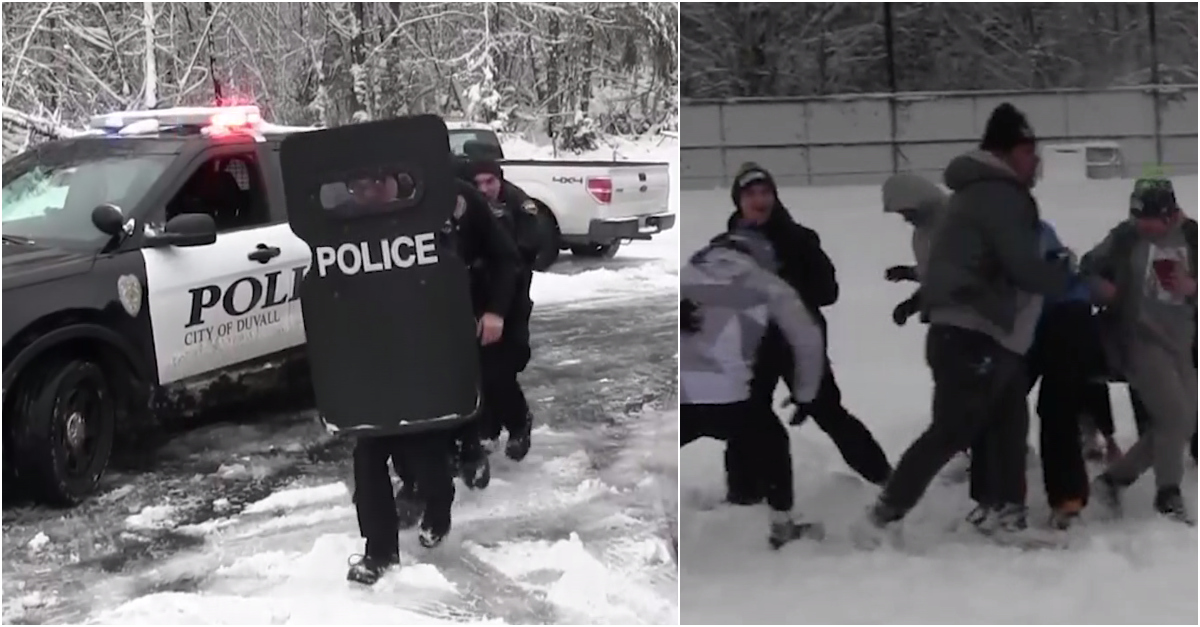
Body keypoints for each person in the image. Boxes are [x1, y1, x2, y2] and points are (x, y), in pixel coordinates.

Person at [851, 102, 1072, 547]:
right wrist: (1063, 273)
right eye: (1029, 151)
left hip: (988, 333)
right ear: (1006, 151)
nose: (1036, 161)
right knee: (952, 430)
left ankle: (1006, 514)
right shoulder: (998, 195)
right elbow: (1021, 266)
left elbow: (960, 266)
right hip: (972, 333)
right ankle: (881, 516)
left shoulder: (977, 196)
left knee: (1010, 424)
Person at [360, 174, 521, 585]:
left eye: (375, 182)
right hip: (388, 332)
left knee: (452, 407)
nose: (368, 192)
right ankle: (382, 547)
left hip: (458, 315)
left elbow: (505, 257)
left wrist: (495, 311)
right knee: (377, 442)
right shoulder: (356, 216)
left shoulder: (455, 196)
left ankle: (459, 463)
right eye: (361, 186)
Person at [723, 163, 892, 504]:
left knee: (828, 412)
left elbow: (828, 292)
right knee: (744, 417)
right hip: (753, 347)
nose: (759, 200)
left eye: (765, 192)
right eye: (750, 194)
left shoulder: (799, 239)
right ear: (738, 201)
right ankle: (743, 497)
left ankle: (888, 481)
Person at [680, 229, 826, 547]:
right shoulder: (765, 283)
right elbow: (808, 340)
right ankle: (782, 526)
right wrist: (805, 394)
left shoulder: (684, 275)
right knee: (774, 444)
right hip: (733, 403)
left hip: (681, 401)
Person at [1081, 178, 1198, 525]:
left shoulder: (1192, 237)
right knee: (1174, 415)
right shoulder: (1124, 237)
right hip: (1136, 339)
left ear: (1169, 215)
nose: (1142, 225)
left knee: (1184, 420)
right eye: (1137, 217)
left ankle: (1113, 481)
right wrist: (1101, 288)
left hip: (1181, 340)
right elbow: (1086, 269)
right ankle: (1168, 494)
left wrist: (1193, 286)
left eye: (1149, 219)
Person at [1024, 219, 1102, 529]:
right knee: (1050, 407)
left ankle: (1066, 499)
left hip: (1060, 316)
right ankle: (1064, 497)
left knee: (1055, 407)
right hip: (1050, 317)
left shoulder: (1021, 229)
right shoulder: (1028, 226)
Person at [464, 159, 542, 462]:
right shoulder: (469, 207)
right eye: (477, 184)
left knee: (502, 369)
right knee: (480, 369)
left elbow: (523, 252)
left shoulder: (518, 205)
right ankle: (489, 429)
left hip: (511, 300)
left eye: (489, 182)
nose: (483, 189)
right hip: (478, 299)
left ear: (500, 180)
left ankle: (518, 422)